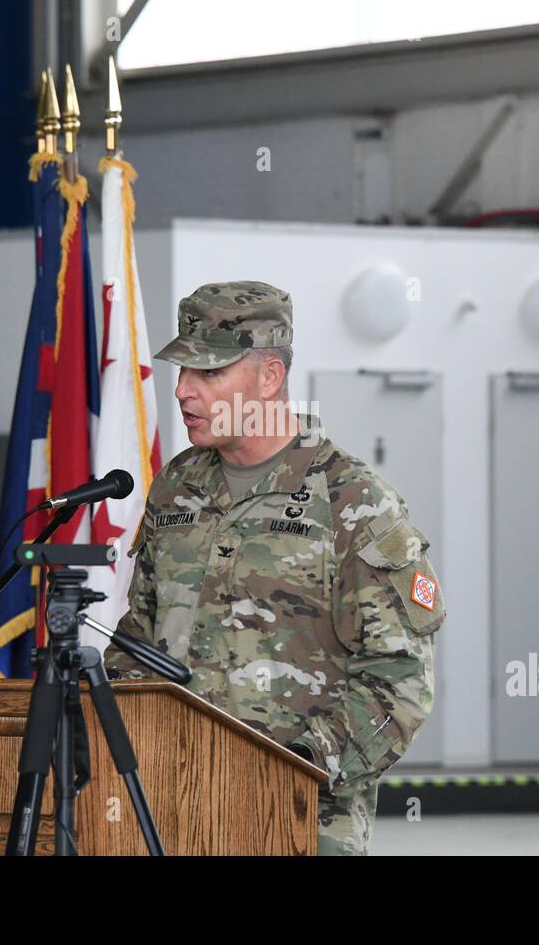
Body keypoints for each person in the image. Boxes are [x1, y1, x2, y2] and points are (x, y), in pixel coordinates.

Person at [103, 280, 445, 855]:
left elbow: (400, 681)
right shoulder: (176, 486)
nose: (184, 391)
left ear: (269, 377)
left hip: (300, 820)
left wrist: (293, 766)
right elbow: (138, 641)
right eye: (182, 372)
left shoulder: (353, 500)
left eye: (208, 373)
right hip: (170, 810)